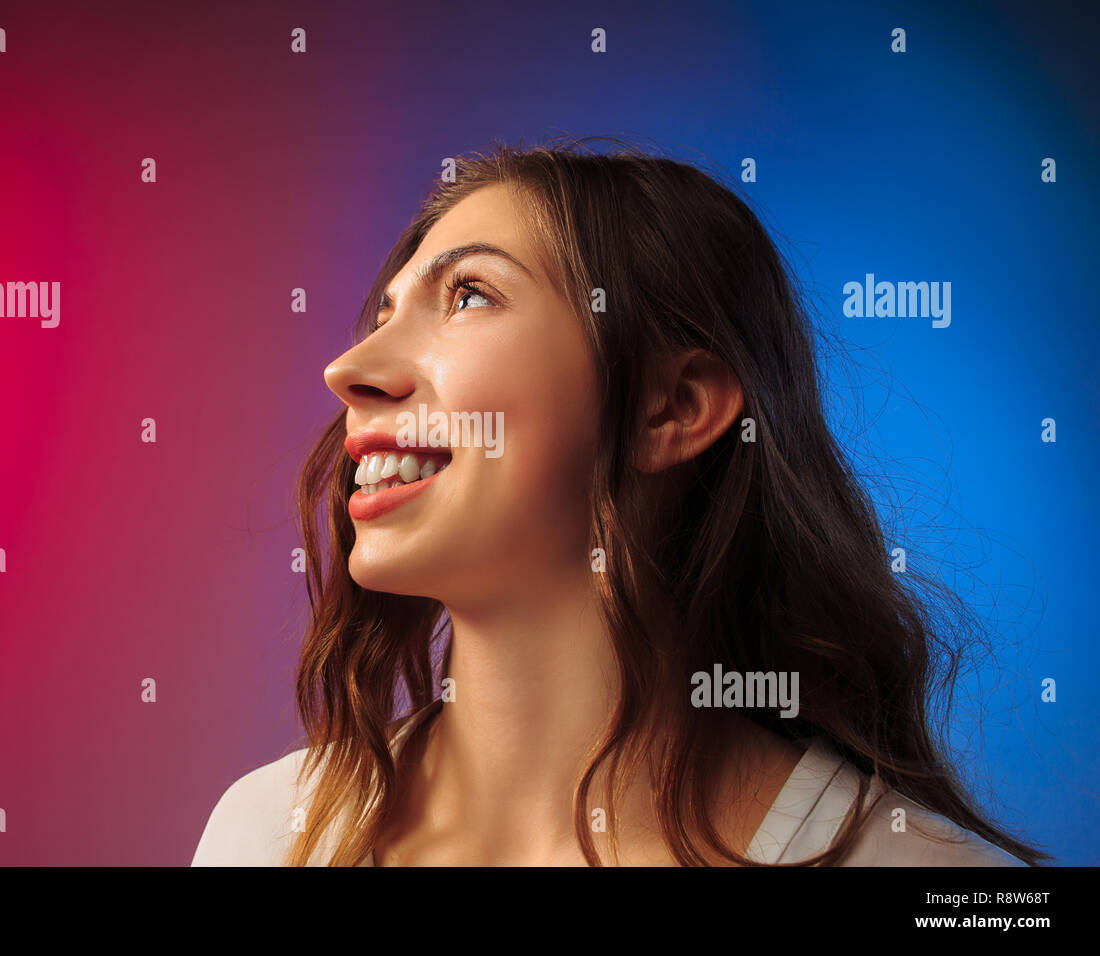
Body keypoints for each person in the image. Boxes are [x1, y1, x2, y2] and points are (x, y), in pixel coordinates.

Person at [193, 138, 1043, 866]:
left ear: (672, 408)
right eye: (382, 312)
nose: (349, 369)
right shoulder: (266, 835)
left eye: (469, 295)